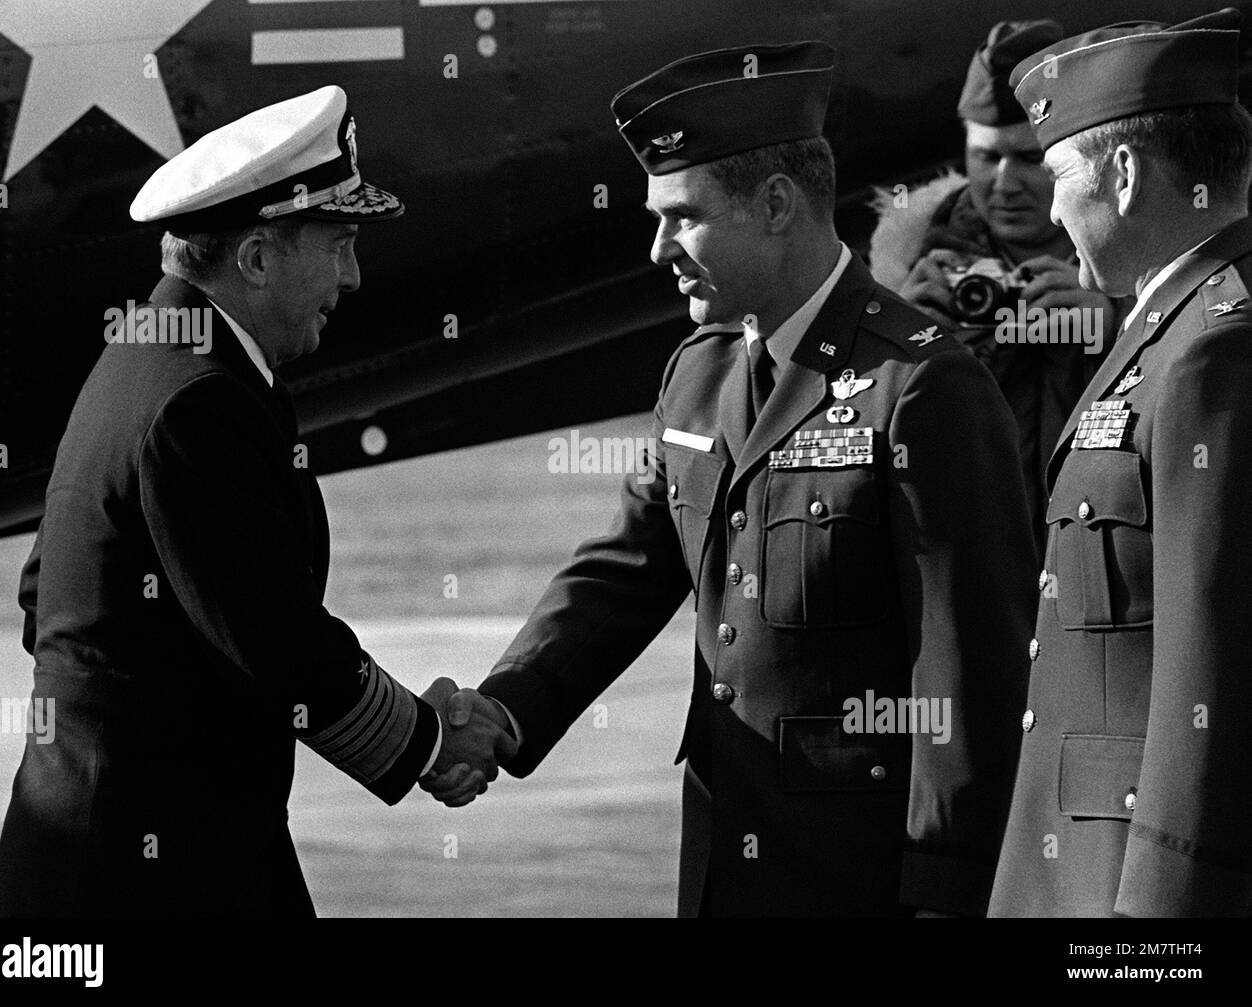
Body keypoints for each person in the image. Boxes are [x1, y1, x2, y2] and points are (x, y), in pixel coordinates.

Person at [425, 42, 1036, 917]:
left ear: (777, 204)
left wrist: (945, 892)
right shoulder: (699, 375)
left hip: (859, 883)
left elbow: (970, 680)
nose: (658, 249)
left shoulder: (923, 388)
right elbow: (625, 573)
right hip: (723, 867)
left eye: (684, 217)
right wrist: (505, 706)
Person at [0, 86, 512, 917]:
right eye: (338, 244)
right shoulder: (199, 398)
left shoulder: (152, 360)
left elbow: (42, 597)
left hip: (126, 855)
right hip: (149, 879)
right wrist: (429, 741)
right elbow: (275, 640)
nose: (353, 275)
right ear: (259, 257)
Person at [988, 7, 1252, 917]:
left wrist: (1158, 921)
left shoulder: (1213, 351)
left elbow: (1208, 666)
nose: (1052, 206)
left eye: (1060, 173)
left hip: (1127, 884)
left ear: (1127, 174)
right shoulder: (1170, 327)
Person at [870, 19, 1118, 547]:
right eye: (985, 156)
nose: (1003, 183)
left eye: (1030, 158)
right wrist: (892, 348)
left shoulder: (1134, 267)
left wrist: (1120, 332)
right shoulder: (911, 268)